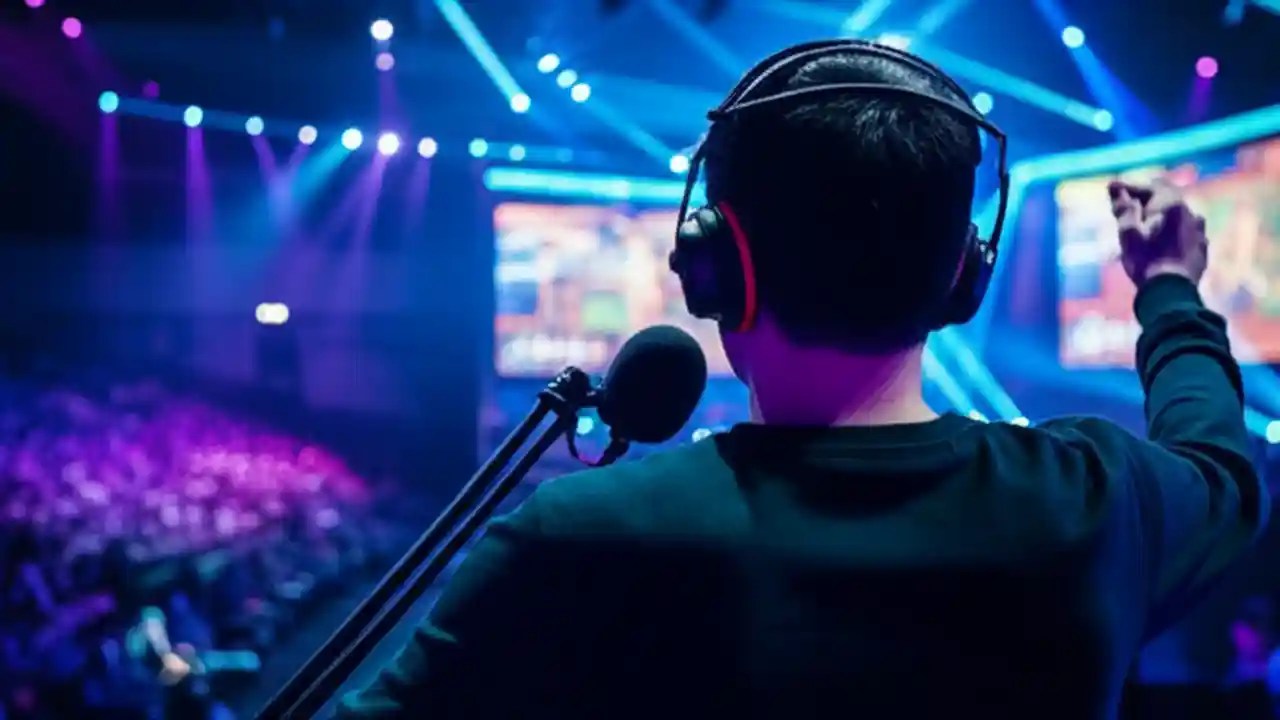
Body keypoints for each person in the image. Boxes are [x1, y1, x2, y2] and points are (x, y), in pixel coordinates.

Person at [337, 41, 1266, 719]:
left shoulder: (578, 538)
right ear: (964, 274)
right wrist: (1168, 286)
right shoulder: (1100, 504)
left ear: (714, 263)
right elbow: (1218, 460)